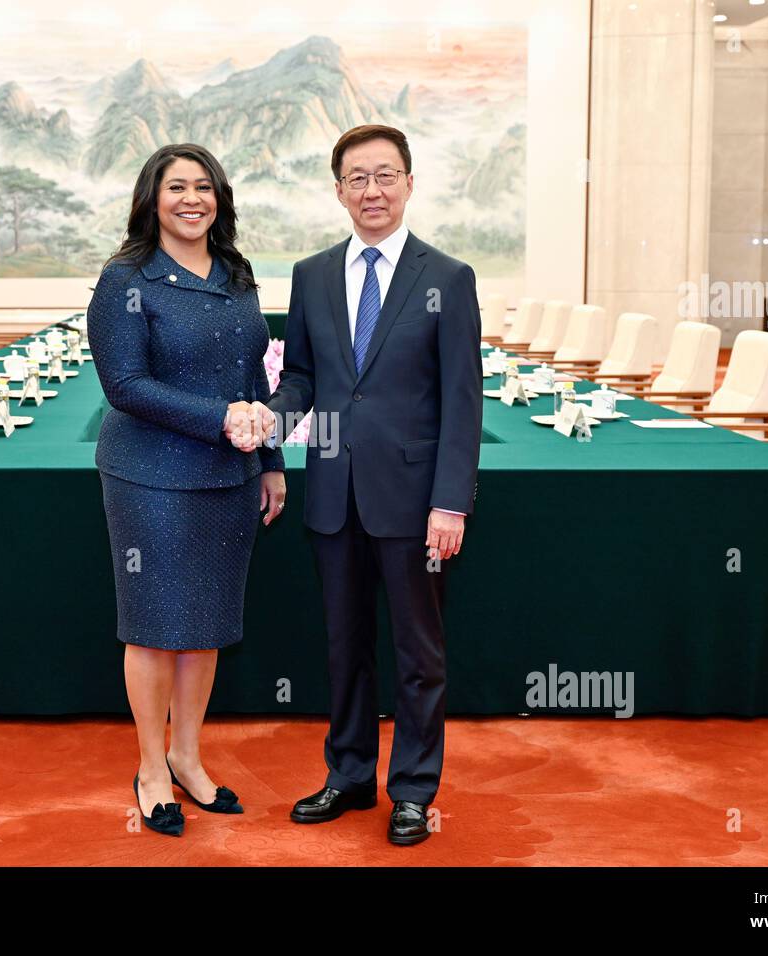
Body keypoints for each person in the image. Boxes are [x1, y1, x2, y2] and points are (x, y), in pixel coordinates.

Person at [240, 124, 482, 845]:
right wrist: (268, 420)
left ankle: (411, 788)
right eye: (357, 178)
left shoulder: (447, 278)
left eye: (386, 175)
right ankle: (347, 774)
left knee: (418, 651)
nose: (371, 190)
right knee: (344, 646)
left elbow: (463, 400)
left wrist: (450, 501)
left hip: (414, 502)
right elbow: (305, 381)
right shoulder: (313, 274)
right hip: (335, 495)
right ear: (338, 188)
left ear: (409, 183)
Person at [87, 143, 287, 837]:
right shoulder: (125, 279)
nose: (192, 199)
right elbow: (126, 387)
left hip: (230, 475)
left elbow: (253, 377)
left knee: (203, 630)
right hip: (151, 476)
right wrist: (220, 419)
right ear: (153, 198)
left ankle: (187, 755)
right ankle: (149, 767)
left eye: (204, 187)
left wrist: (272, 460)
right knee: (153, 627)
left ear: (219, 198)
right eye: (177, 188)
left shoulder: (236, 272)